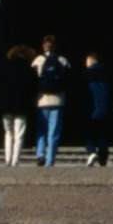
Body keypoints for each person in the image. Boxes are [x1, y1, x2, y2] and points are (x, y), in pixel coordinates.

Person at [32, 34, 72, 167]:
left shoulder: (38, 60)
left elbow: (33, 80)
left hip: (42, 100)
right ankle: (50, 160)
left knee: (41, 130)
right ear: (55, 46)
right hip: (58, 100)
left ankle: (40, 154)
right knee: (54, 132)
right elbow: (69, 79)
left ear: (44, 46)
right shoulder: (62, 60)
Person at [0, 43, 36, 168]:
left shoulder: (4, 68)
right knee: (19, 134)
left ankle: (7, 160)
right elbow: (32, 89)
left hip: (6, 105)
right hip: (21, 106)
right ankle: (15, 161)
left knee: (8, 133)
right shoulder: (29, 69)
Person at [82, 52, 113, 169]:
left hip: (91, 109)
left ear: (91, 61)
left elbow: (83, 94)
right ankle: (103, 159)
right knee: (102, 135)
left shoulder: (86, 74)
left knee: (89, 134)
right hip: (105, 109)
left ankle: (91, 152)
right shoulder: (107, 73)